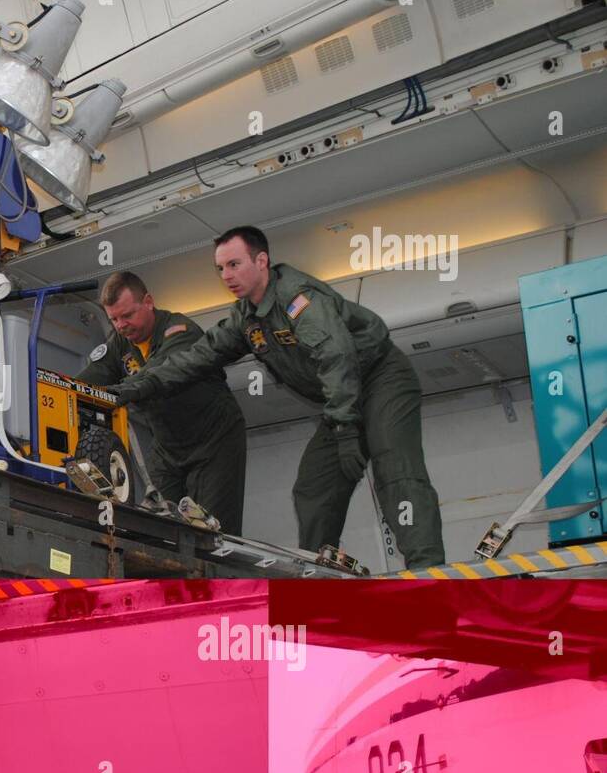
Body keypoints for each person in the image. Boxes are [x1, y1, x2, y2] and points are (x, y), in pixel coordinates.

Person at [107, 226, 445, 568]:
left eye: (234, 264)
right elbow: (198, 357)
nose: (226, 275)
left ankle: (426, 569)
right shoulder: (246, 317)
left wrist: (345, 429)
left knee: (397, 471)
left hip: (379, 379)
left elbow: (336, 355)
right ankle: (319, 575)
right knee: (314, 488)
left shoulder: (298, 298)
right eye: (220, 268)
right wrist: (138, 386)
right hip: (340, 400)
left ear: (262, 261)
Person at [78, 270, 247, 535]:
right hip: (168, 448)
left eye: (127, 315)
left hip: (214, 441)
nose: (121, 325)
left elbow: (157, 373)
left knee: (212, 532)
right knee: (156, 527)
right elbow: (87, 383)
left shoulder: (181, 332)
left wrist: (117, 392)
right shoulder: (120, 344)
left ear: (148, 301)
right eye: (114, 319)